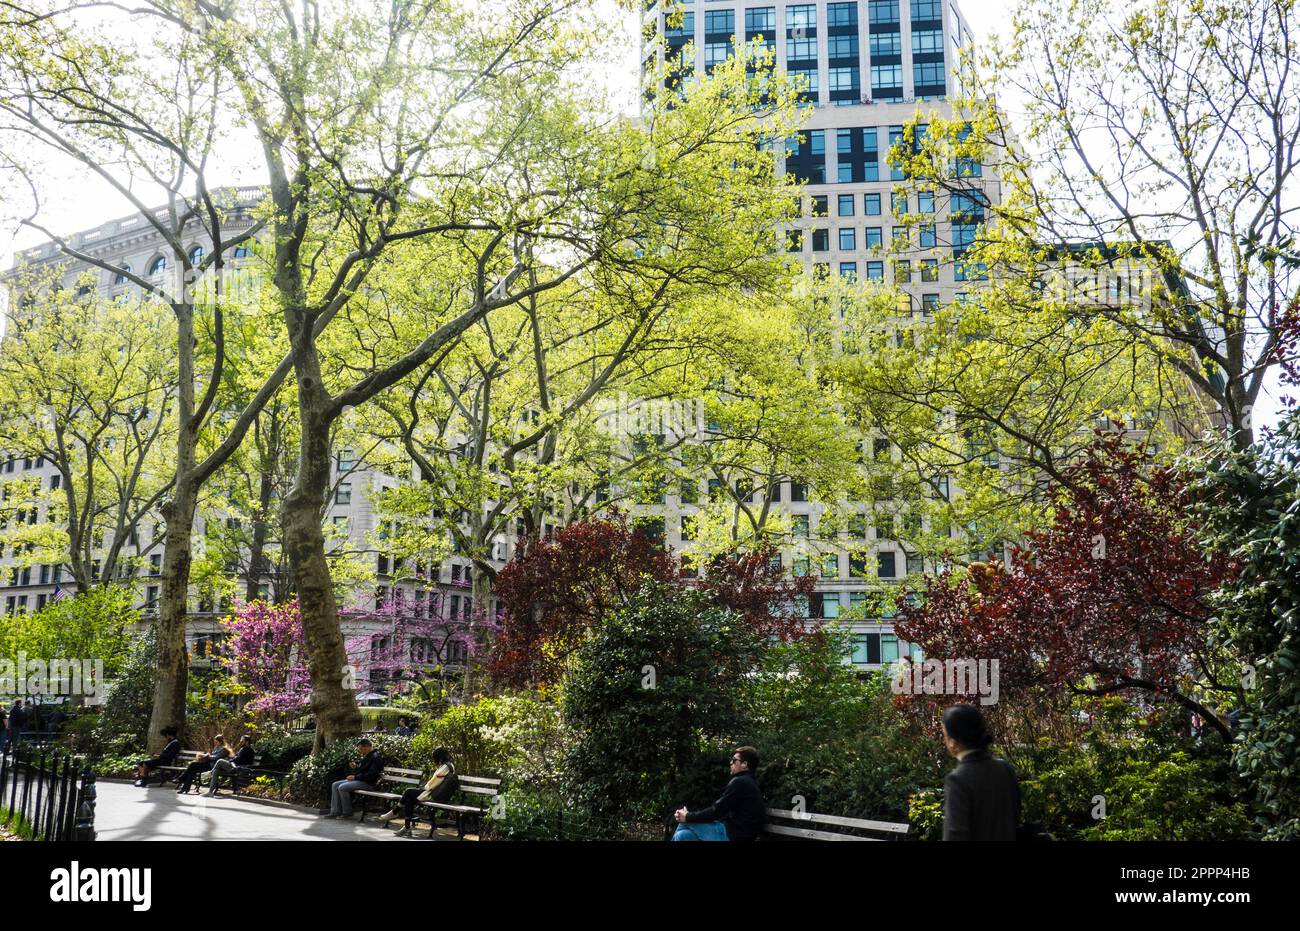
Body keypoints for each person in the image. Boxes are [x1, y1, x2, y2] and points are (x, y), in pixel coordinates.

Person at [940, 704, 1020, 841]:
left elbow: (955, 834)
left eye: (945, 734)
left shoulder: (958, 779)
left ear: (953, 742)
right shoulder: (1005, 769)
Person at [672, 746, 765, 842]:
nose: (730, 762)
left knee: (683, 821)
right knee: (683, 836)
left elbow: (716, 811)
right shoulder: (748, 782)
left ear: (744, 764)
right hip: (734, 832)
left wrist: (688, 816)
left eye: (734, 760)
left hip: (732, 836)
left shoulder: (740, 782)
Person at [381, 747, 456, 836]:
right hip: (435, 793)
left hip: (435, 795)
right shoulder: (447, 765)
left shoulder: (446, 767)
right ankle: (407, 827)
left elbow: (434, 782)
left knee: (408, 791)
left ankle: (395, 812)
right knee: (409, 799)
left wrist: (425, 788)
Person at [321, 738, 383, 819]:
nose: (360, 751)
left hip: (368, 783)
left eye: (361, 749)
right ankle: (335, 811)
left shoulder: (375, 757)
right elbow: (363, 770)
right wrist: (356, 767)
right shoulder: (368, 756)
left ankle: (347, 812)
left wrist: (355, 777)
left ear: (368, 746)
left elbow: (371, 775)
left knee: (342, 787)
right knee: (335, 785)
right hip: (360, 780)